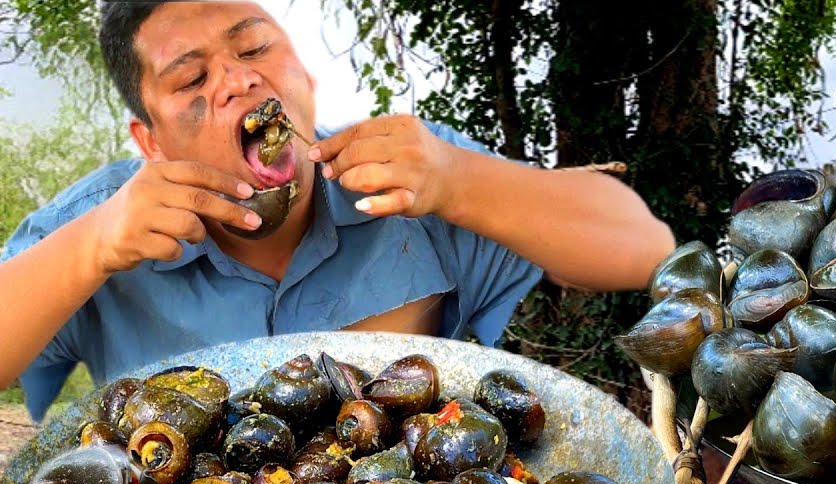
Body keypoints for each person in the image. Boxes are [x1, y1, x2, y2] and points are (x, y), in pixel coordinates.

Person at [0, 0, 676, 422]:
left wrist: (463, 181)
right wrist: (90, 249)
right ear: (149, 140)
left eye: (255, 47)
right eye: (192, 78)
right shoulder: (97, 225)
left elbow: (642, 248)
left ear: (305, 75)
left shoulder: (417, 174)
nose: (239, 79)